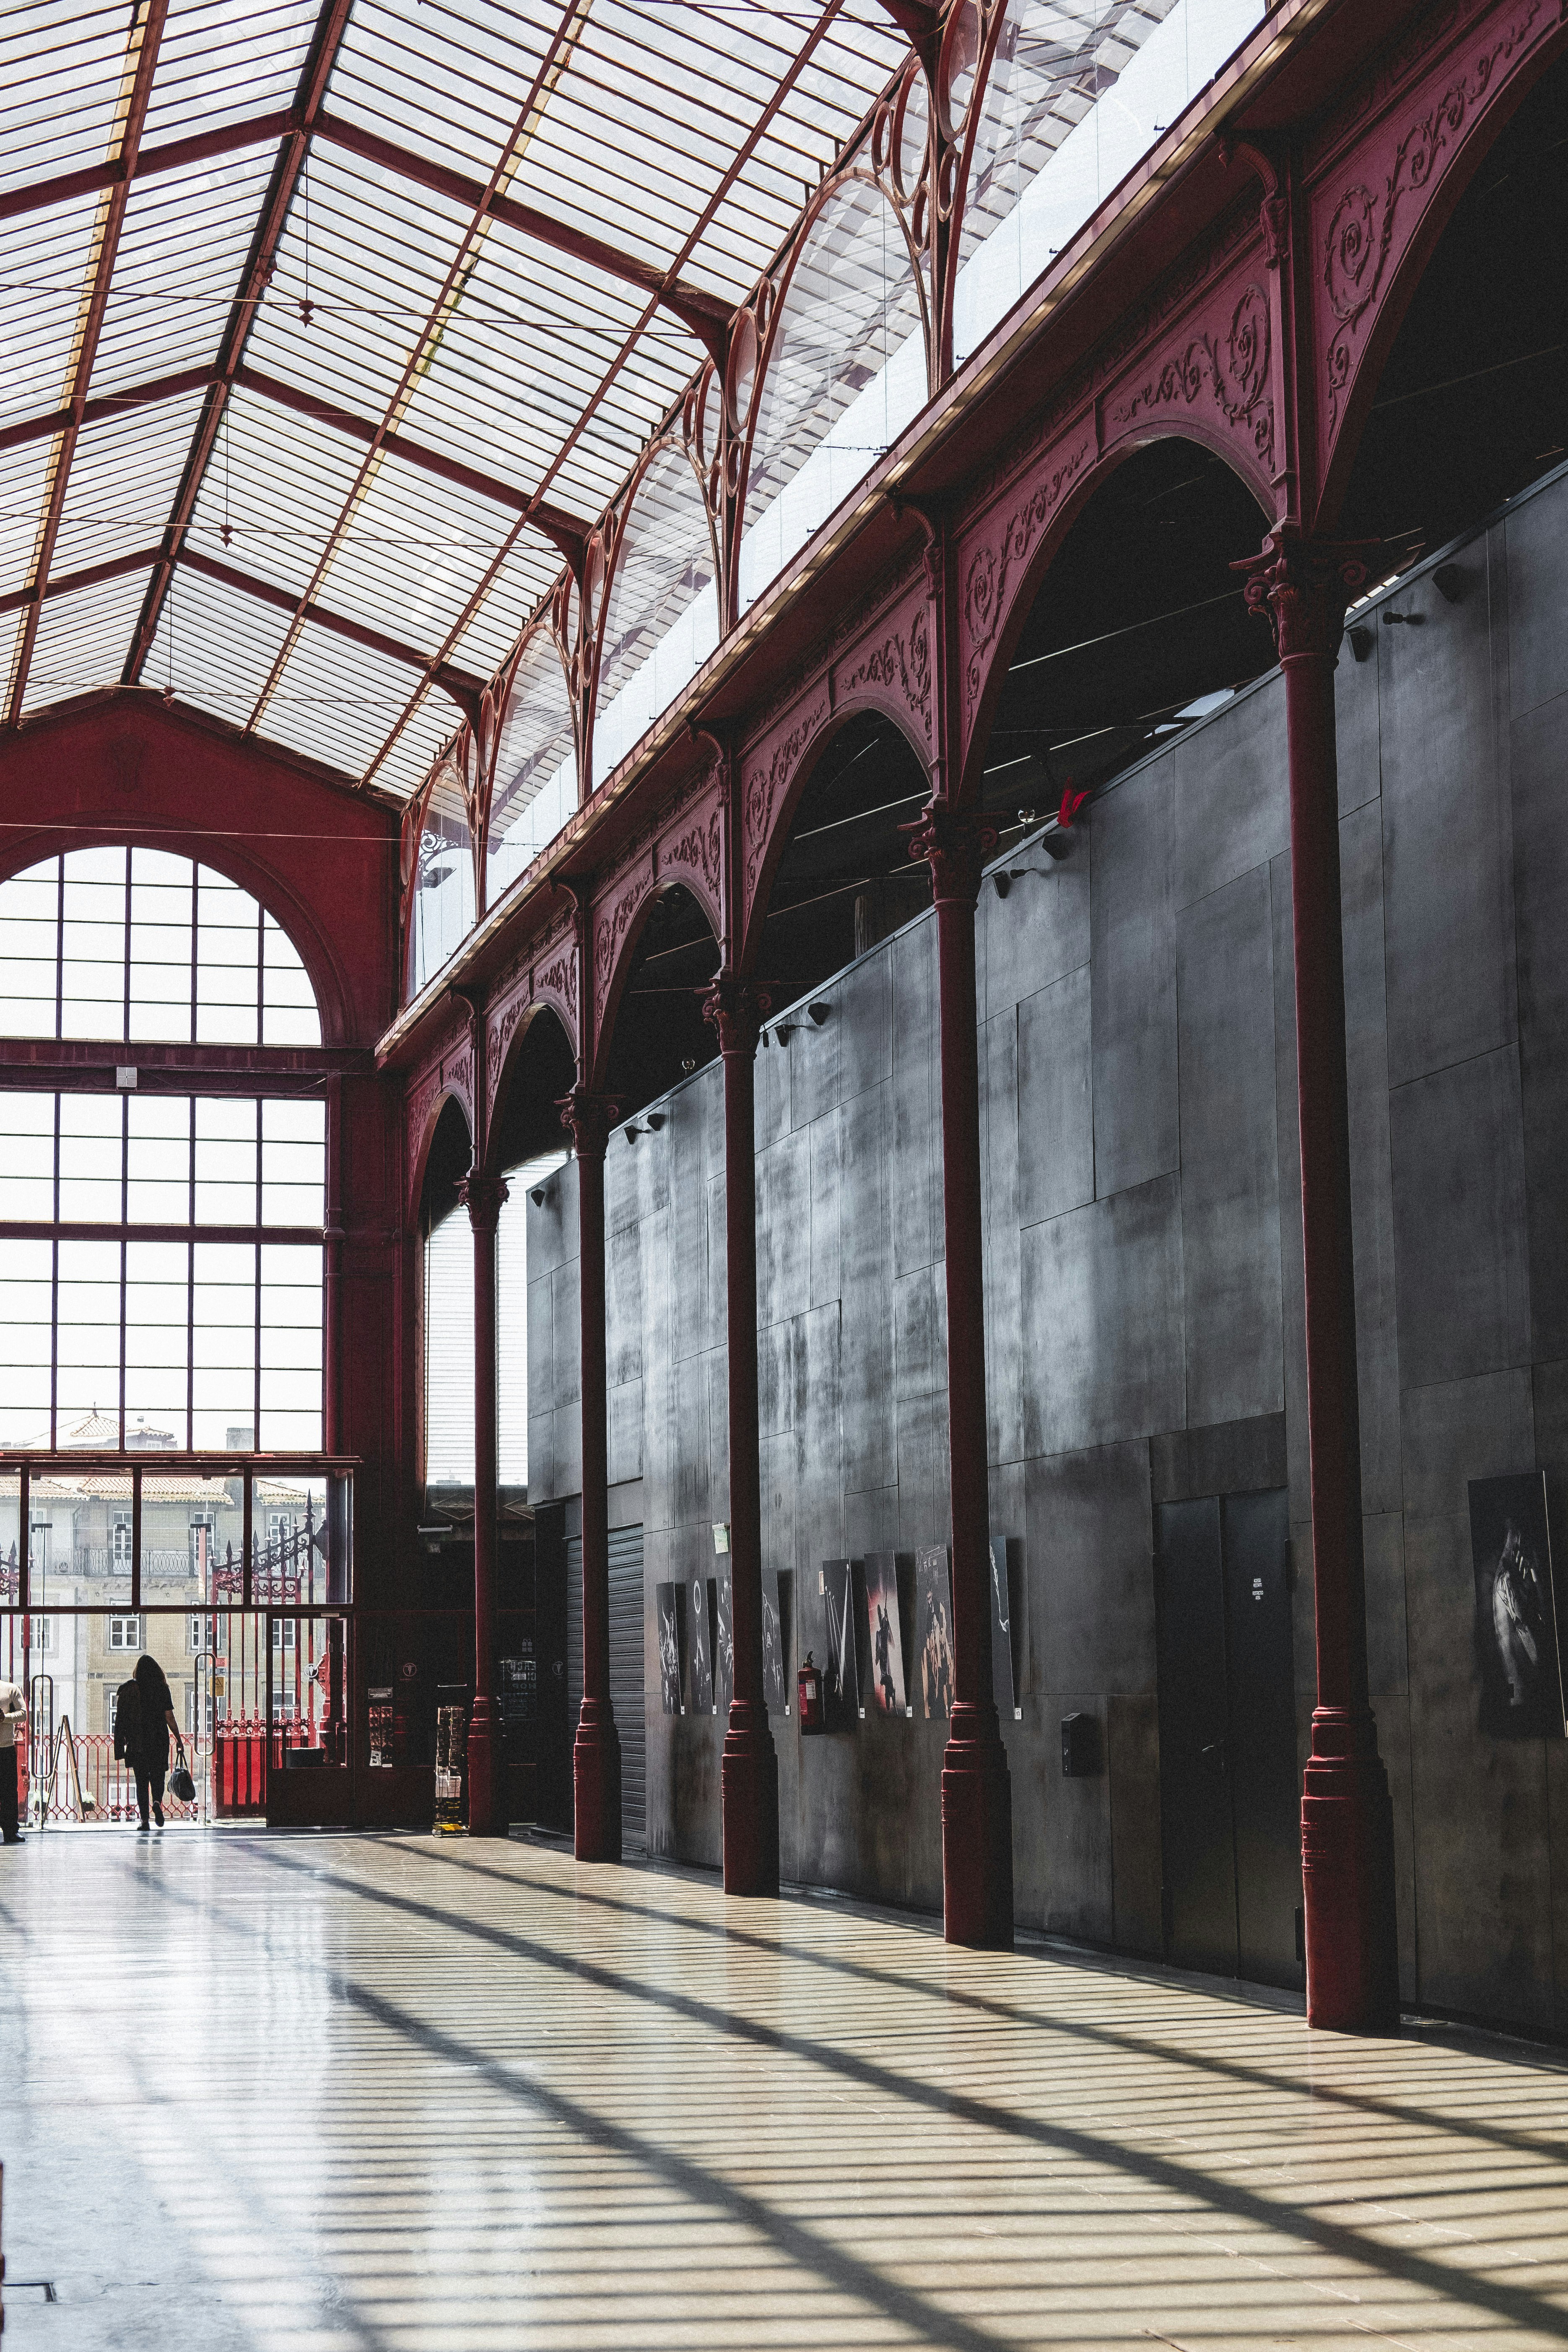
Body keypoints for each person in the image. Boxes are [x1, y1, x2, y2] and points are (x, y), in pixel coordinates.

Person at [125, 1652, 181, 1832]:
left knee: (141, 1782)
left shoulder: (133, 1689)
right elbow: (169, 1716)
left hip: (138, 1740)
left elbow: (125, 1717)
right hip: (159, 1738)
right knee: (158, 1775)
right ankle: (157, 1802)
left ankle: (145, 1821)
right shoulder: (162, 1688)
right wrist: (179, 1738)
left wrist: (124, 1738)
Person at [0, 1675, 26, 1843]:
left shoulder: (10, 1689)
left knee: (9, 1792)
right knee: (9, 1792)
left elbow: (24, 1713)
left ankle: (10, 1831)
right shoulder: (10, 1688)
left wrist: (5, 1718)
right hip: (6, 1748)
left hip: (5, 1748)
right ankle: (10, 1831)